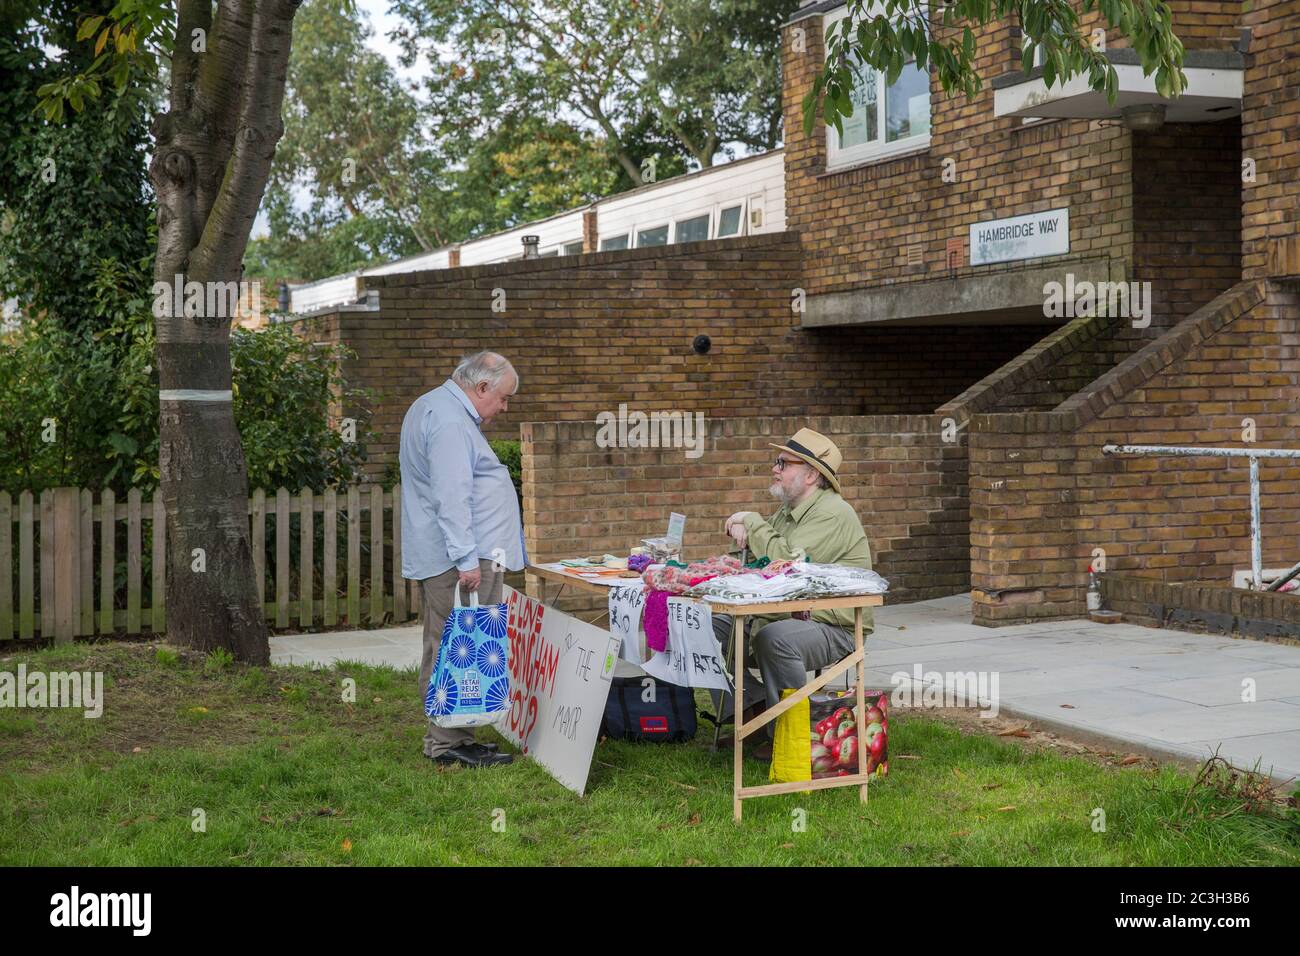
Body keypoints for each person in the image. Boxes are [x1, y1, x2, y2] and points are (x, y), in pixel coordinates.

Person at [713, 428, 874, 760]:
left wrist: (750, 520)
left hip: (836, 625)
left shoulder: (832, 512)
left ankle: (792, 738)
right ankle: (753, 715)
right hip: (785, 613)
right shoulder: (788, 512)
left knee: (775, 639)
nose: (775, 469)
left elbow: (784, 562)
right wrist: (739, 528)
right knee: (707, 628)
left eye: (783, 463)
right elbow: (754, 557)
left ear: (812, 474)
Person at [400, 351, 526, 769]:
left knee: (452, 642)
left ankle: (453, 736)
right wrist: (467, 559)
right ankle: (448, 742)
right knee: (457, 644)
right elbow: (452, 496)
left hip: (452, 554)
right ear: (482, 387)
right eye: (503, 398)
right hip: (459, 558)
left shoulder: (435, 406)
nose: (503, 409)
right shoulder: (452, 421)